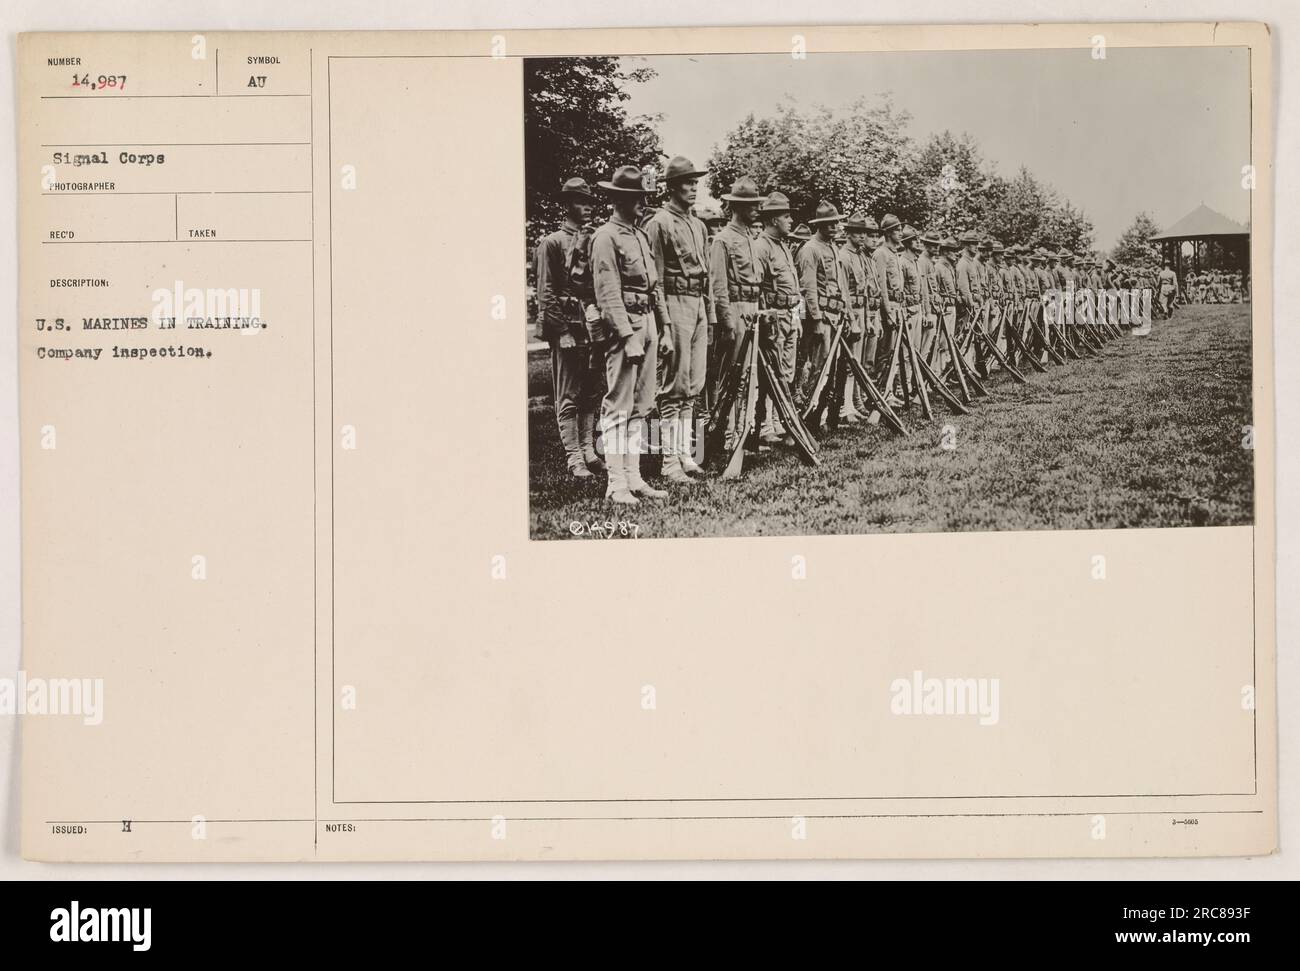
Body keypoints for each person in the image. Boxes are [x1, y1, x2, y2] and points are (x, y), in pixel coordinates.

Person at [590, 164, 672, 505]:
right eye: (636, 197)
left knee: (641, 405)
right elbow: (607, 293)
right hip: (626, 329)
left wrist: (664, 328)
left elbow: (655, 287)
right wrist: (627, 336)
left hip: (648, 324)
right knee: (618, 406)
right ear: (619, 200)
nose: (642, 203)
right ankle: (616, 484)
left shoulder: (639, 235)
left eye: (643, 197)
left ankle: (635, 478)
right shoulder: (606, 237)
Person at [645, 156, 713, 483]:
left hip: (696, 303)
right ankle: (669, 462)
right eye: (688, 182)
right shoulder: (659, 223)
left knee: (693, 385)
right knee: (673, 386)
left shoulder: (698, 225)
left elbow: (707, 276)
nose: (693, 187)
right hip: (673, 304)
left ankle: (685, 454)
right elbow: (653, 279)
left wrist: (709, 315)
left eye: (696, 182)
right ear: (672, 187)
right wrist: (664, 325)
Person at [534, 176, 604, 480]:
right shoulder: (552, 243)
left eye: (589, 203)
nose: (586, 208)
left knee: (592, 390)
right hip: (567, 323)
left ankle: (589, 450)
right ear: (567, 205)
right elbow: (545, 293)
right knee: (568, 393)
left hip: (591, 323)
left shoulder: (593, 240)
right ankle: (574, 457)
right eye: (580, 202)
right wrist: (561, 331)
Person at [710, 176, 767, 452]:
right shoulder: (723, 240)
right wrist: (727, 322)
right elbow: (718, 286)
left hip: (753, 310)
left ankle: (742, 431)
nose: (756, 208)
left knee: (749, 376)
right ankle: (727, 432)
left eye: (756, 203)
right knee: (733, 377)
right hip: (735, 309)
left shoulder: (751, 239)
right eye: (750, 204)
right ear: (736, 207)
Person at [753, 190, 802, 445]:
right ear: (773, 220)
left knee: (787, 373)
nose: (790, 221)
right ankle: (765, 426)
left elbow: (792, 285)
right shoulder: (761, 246)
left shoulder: (783, 246)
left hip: (790, 315)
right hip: (774, 318)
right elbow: (758, 288)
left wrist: (797, 317)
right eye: (786, 216)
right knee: (772, 374)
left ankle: (777, 422)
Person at [796, 201, 849, 418]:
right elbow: (808, 287)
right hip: (821, 318)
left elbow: (840, 285)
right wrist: (816, 319)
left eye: (836, 222)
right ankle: (806, 412)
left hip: (835, 316)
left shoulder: (833, 247)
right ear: (820, 225)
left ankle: (819, 412)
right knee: (818, 367)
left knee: (831, 367)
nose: (835, 226)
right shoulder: (810, 249)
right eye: (830, 223)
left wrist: (846, 312)